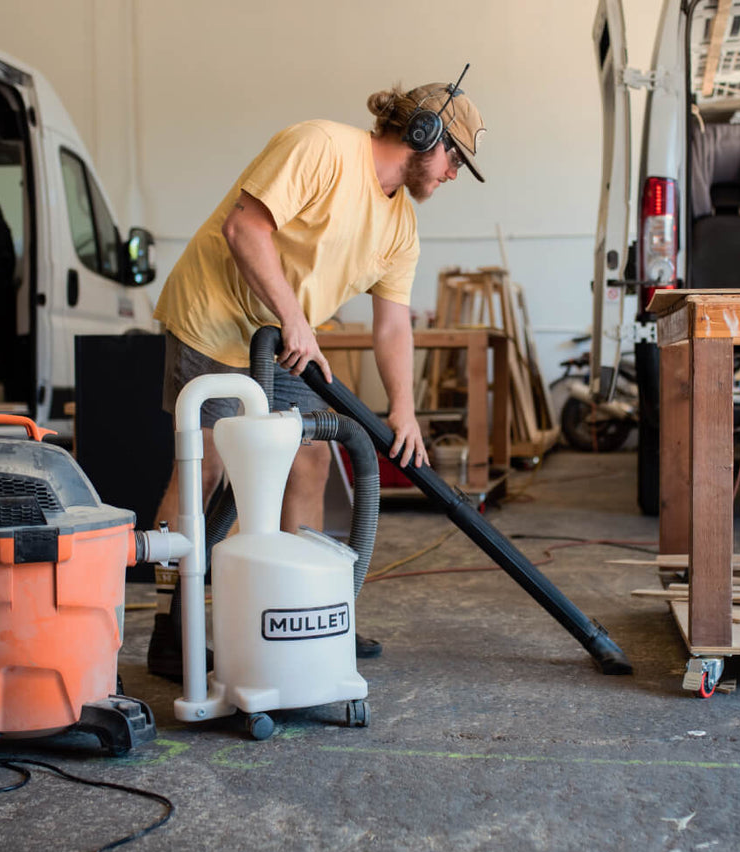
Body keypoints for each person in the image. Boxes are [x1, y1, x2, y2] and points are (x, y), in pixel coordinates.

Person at [148, 72, 486, 676]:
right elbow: (243, 228)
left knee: (311, 457)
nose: (454, 173)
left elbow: (392, 326)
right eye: (454, 157)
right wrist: (295, 319)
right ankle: (171, 630)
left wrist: (402, 407)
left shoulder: (401, 226)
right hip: (214, 320)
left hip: (280, 339)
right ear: (423, 132)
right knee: (208, 466)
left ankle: (307, 611)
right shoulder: (321, 147)